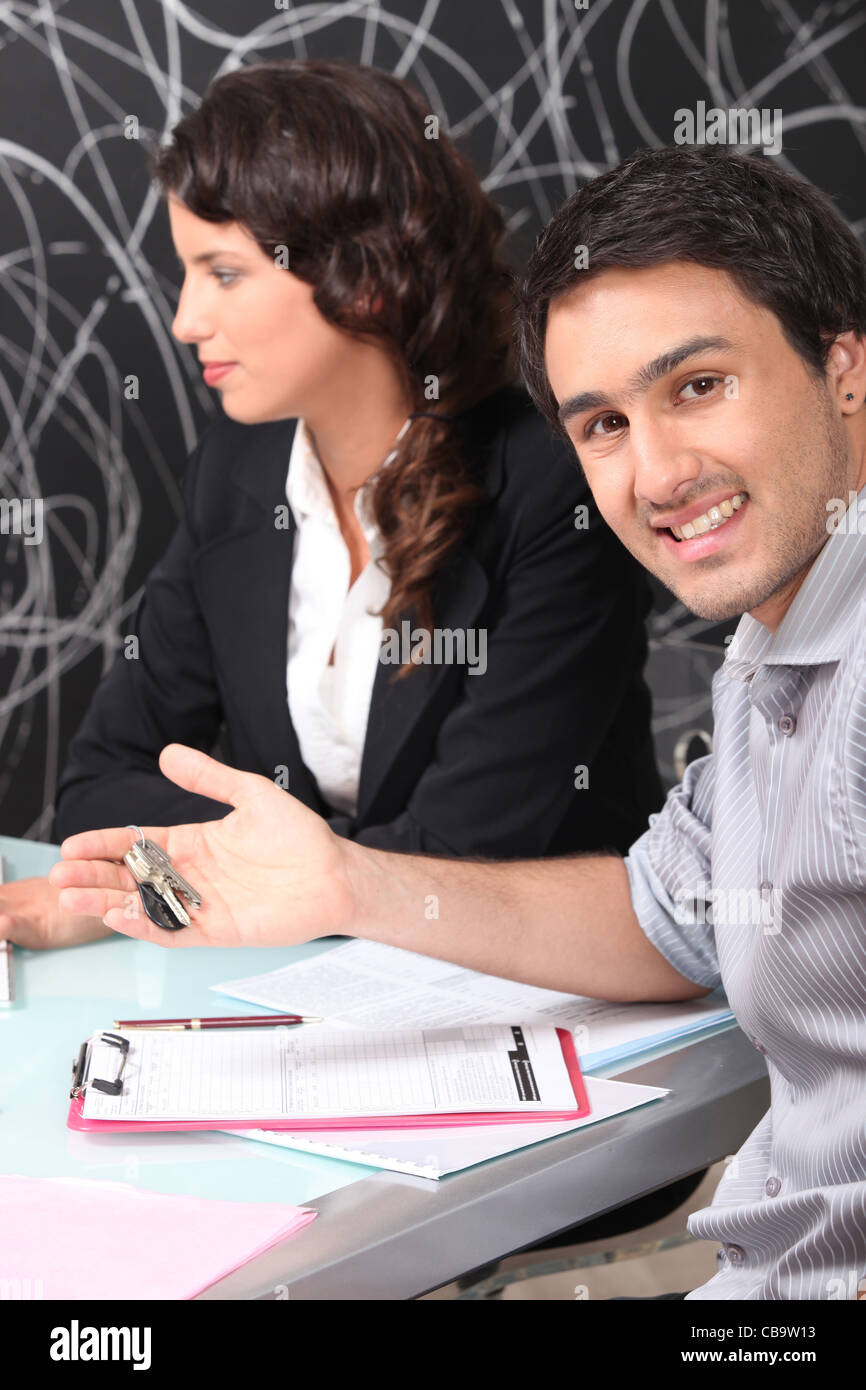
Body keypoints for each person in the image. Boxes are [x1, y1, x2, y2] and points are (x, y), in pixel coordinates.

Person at [53, 142, 866, 1301]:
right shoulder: (775, 638)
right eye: (602, 425)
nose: (657, 472)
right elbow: (660, 915)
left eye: (697, 385)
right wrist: (348, 882)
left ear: (841, 364)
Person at [0, 59, 662, 949]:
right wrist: (166, 899)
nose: (186, 319)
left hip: (551, 1005)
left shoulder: (552, 488)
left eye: (223, 273)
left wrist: (195, 880)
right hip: (310, 988)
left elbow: (460, 859)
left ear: (365, 279)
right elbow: (103, 783)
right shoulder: (237, 469)